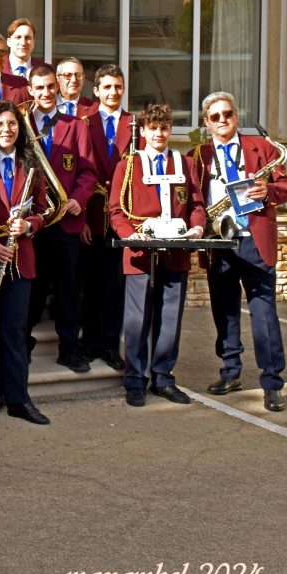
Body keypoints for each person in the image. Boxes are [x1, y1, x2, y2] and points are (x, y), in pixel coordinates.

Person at [193, 91, 287, 412]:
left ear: (236, 116)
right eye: (215, 117)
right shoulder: (199, 155)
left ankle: (272, 382)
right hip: (219, 242)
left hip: (254, 239)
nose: (222, 121)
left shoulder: (261, 148)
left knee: (264, 313)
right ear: (206, 123)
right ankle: (230, 371)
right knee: (224, 311)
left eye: (228, 114)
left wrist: (270, 191)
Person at [108, 104, 205, 407]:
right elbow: (115, 210)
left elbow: (196, 205)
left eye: (164, 128)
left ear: (169, 130)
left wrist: (197, 228)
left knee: (170, 317)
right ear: (144, 131)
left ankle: (163, 377)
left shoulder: (184, 163)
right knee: (137, 320)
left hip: (176, 252)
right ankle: (135, 380)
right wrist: (129, 234)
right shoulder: (129, 166)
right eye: (153, 128)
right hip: (139, 252)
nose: (159, 133)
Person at [0, 100, 51, 425]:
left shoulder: (31, 164)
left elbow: (43, 210)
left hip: (21, 260)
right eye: (0, 125)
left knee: (15, 329)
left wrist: (29, 225)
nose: (7, 130)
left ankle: (19, 397)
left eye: (13, 124)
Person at [23, 65, 97, 373]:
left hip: (65, 223)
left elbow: (88, 171)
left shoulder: (75, 125)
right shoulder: (21, 125)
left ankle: (69, 348)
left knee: (68, 289)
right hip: (33, 223)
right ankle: (23, 345)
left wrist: (78, 200)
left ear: (58, 88)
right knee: (33, 289)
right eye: (39, 87)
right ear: (30, 90)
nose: (45, 92)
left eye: (50, 86)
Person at [79, 65, 134, 371]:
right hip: (92, 215)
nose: (114, 92)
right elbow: (78, 173)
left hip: (124, 215)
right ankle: (89, 343)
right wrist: (82, 219)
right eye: (108, 86)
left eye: (118, 86)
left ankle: (111, 346)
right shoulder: (83, 123)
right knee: (90, 283)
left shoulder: (134, 124)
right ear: (96, 90)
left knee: (115, 285)